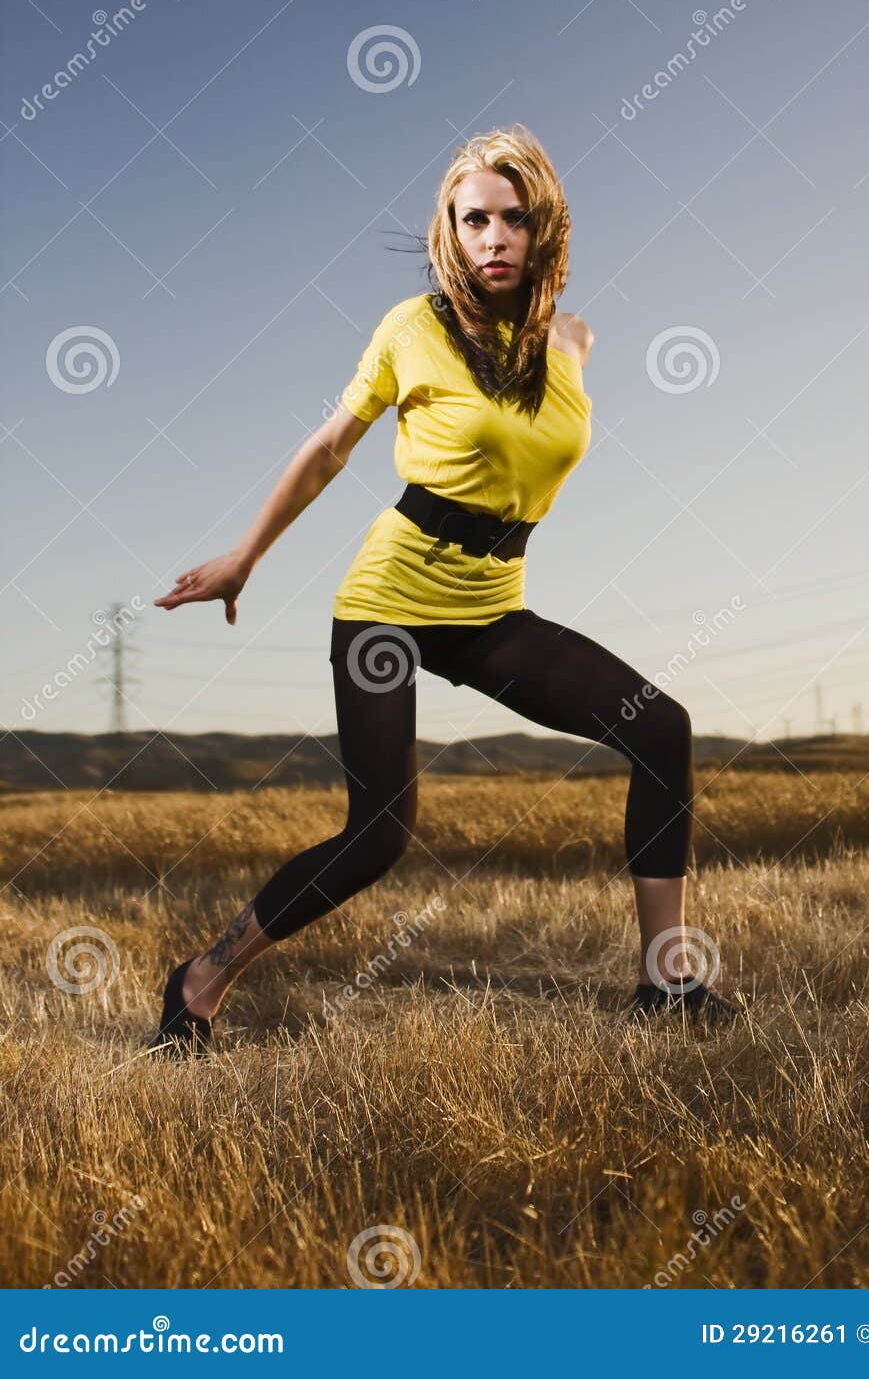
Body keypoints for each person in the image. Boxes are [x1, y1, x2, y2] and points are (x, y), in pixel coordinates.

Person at [148, 124, 736, 1056]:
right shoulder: (411, 328)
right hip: (389, 601)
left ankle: (665, 985)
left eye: (512, 219)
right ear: (448, 234)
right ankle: (204, 975)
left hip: (490, 609)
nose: (493, 238)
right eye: (473, 221)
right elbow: (329, 449)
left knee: (659, 727)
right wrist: (245, 556)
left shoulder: (573, 340)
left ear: (543, 229)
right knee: (380, 833)